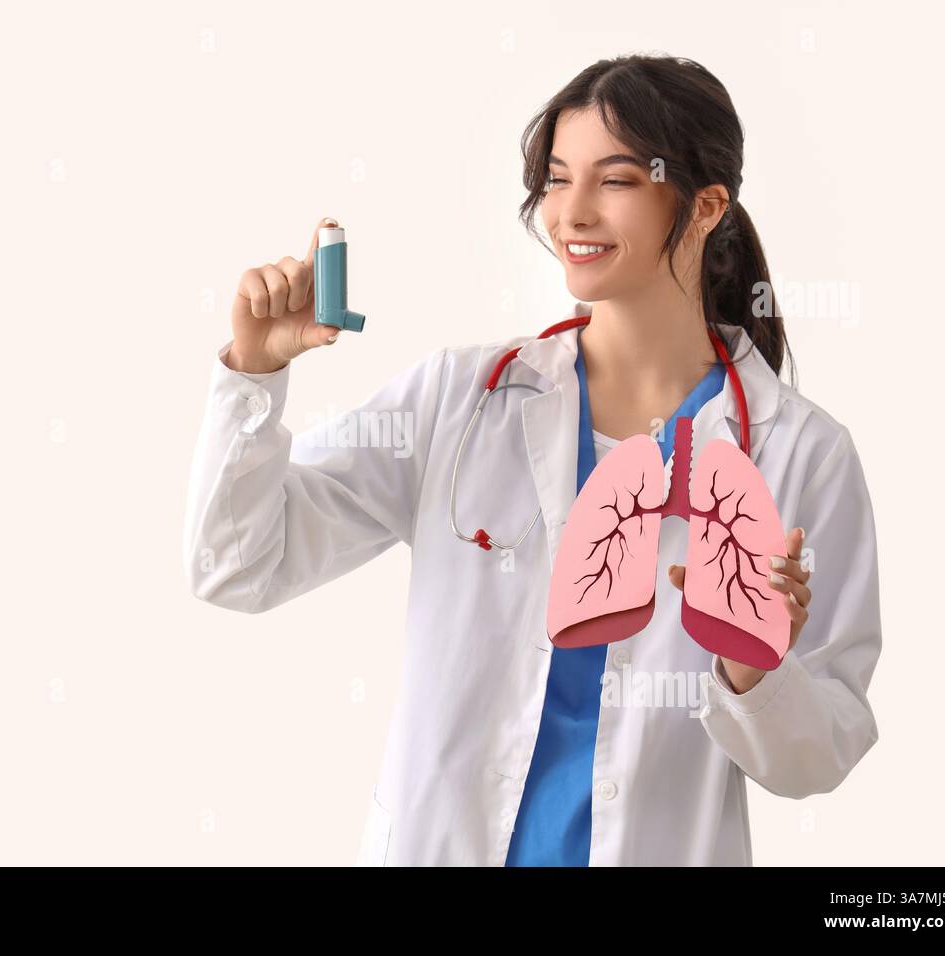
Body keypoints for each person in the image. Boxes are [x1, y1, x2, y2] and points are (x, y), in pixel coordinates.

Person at [183, 54, 881, 866]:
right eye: (555, 180)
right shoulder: (459, 398)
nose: (570, 213)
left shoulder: (803, 454)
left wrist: (750, 667)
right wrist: (254, 374)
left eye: (614, 180)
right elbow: (238, 566)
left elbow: (821, 757)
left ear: (704, 205)